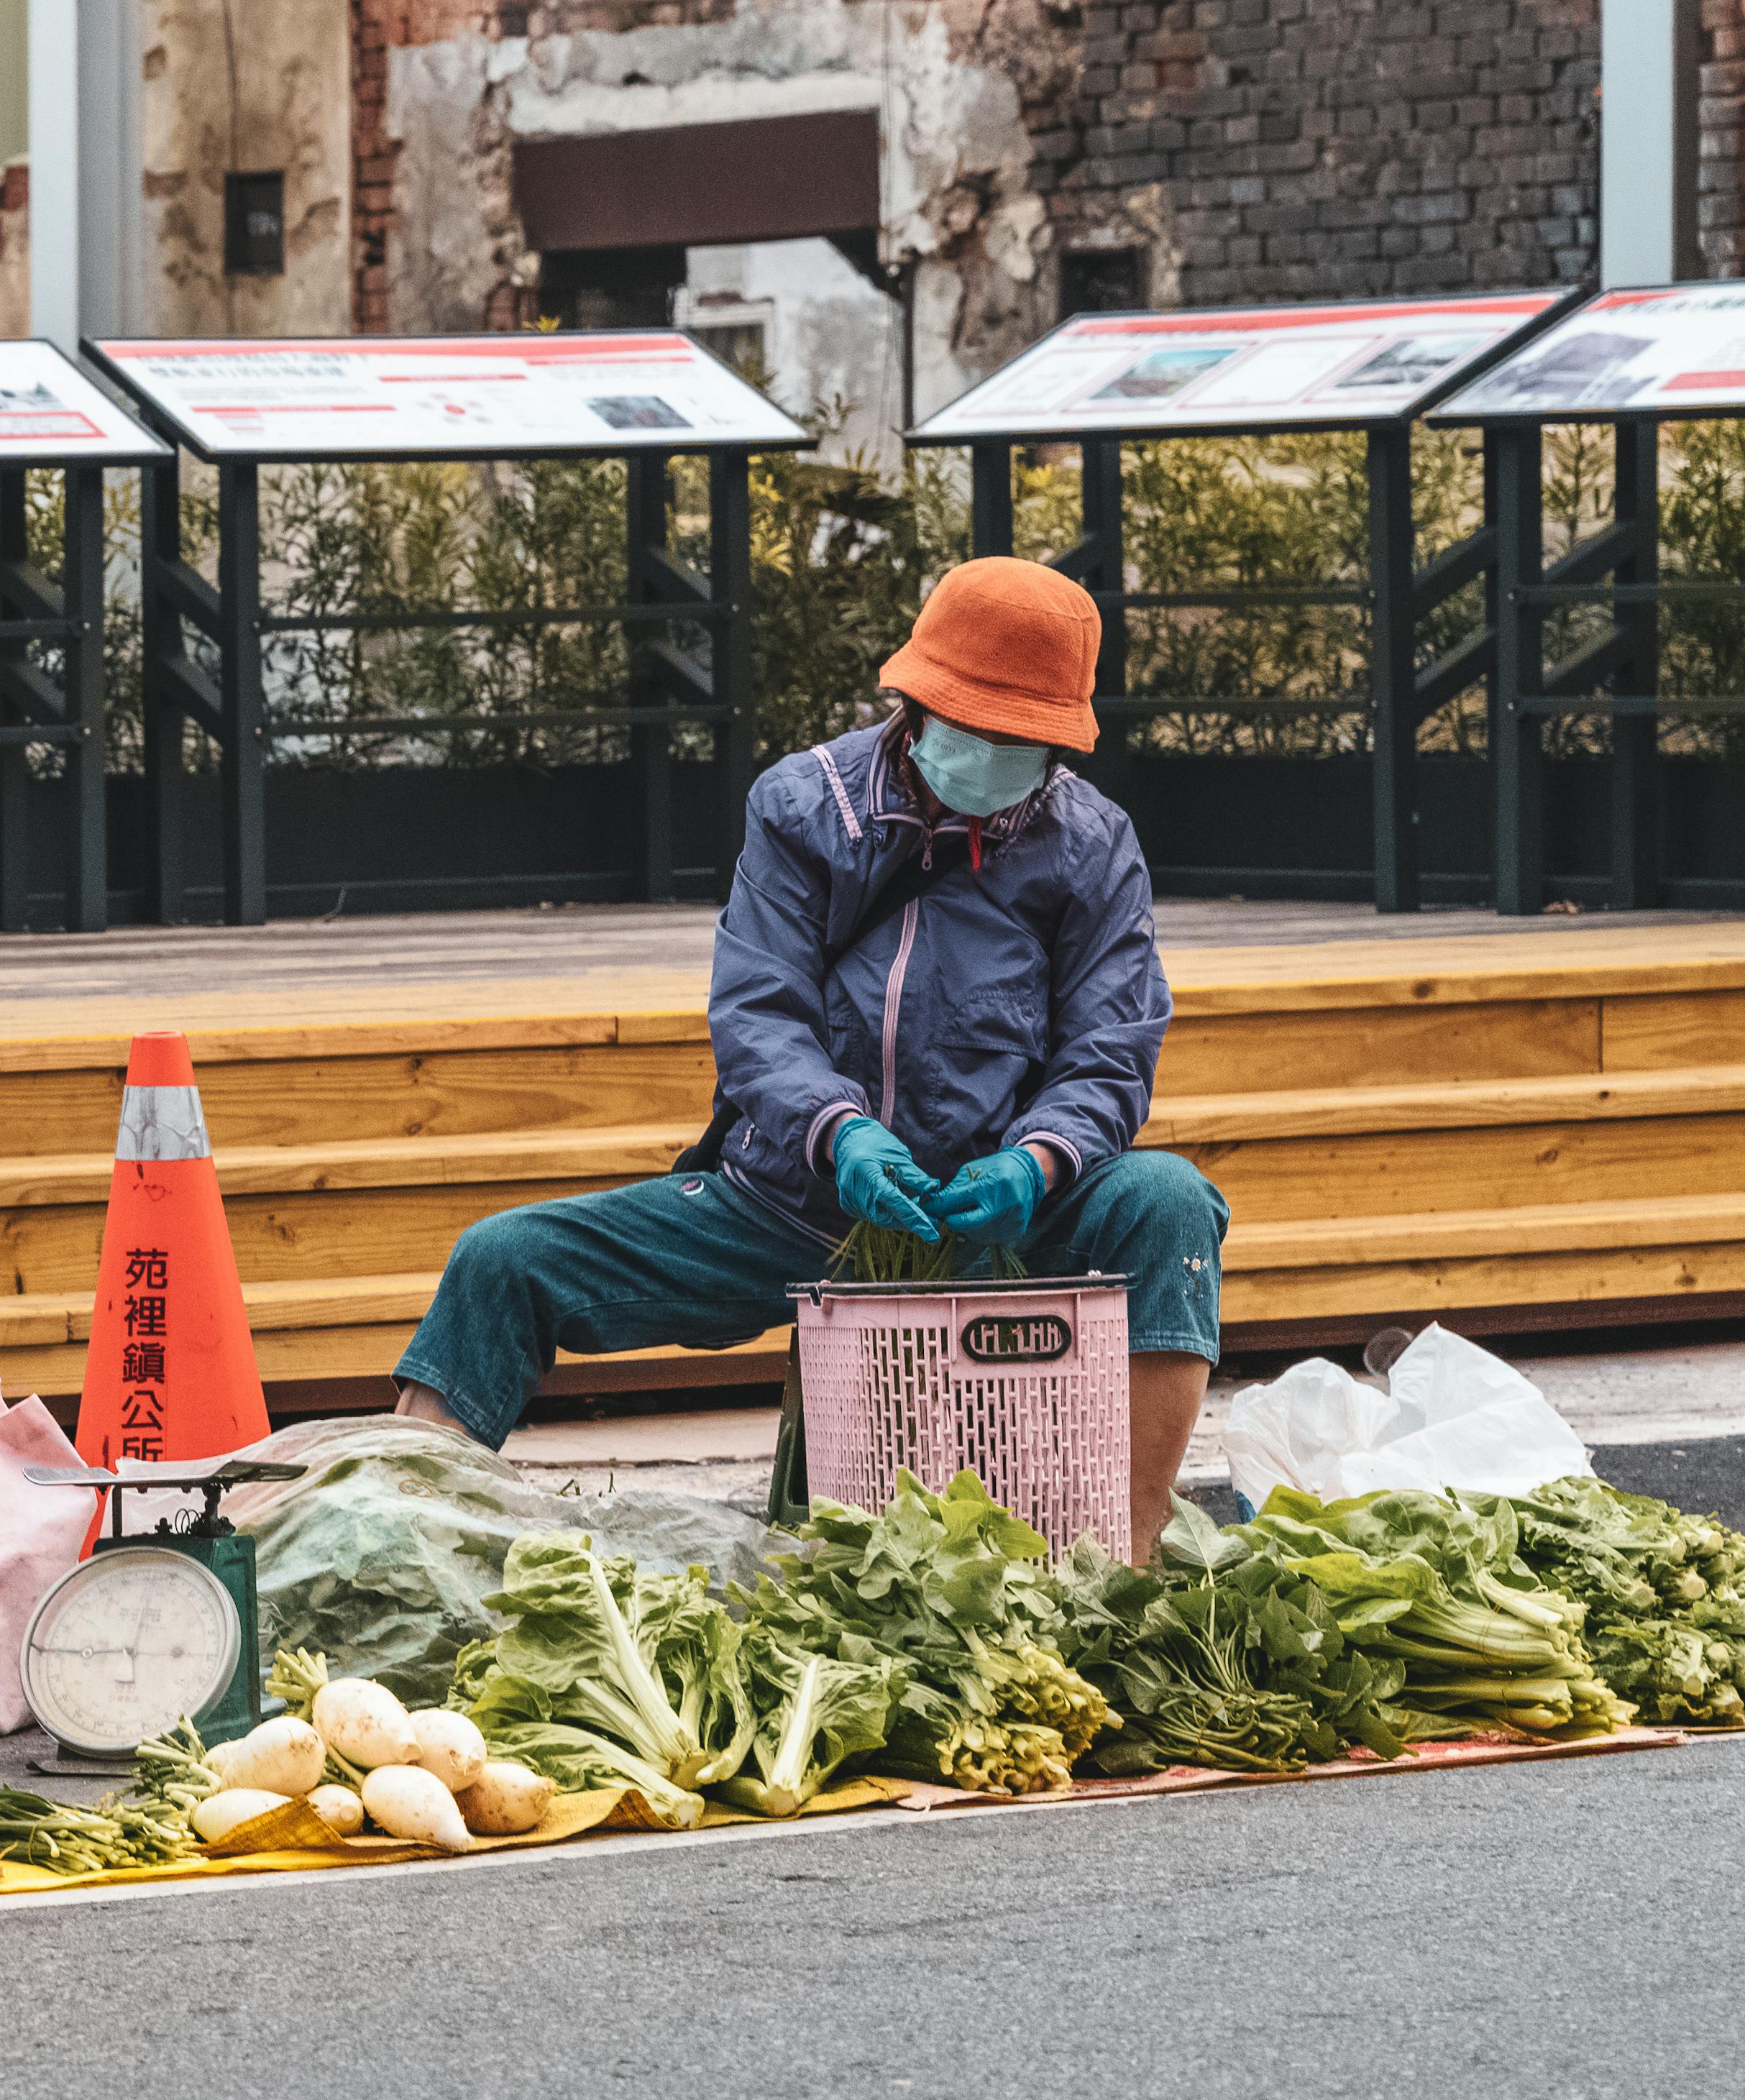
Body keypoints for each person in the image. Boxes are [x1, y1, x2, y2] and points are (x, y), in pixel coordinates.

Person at [388, 556, 1227, 1562]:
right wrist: (842, 1135)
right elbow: (759, 1012)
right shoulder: (805, 806)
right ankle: (397, 1541)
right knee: (503, 1258)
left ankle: (1124, 1561)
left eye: (1023, 736)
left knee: (1169, 1201)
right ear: (916, 704)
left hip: (1005, 1213)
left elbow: (1112, 1046)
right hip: (791, 1202)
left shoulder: (1094, 844)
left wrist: (1037, 1160)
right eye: (976, 721)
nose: (996, 749)